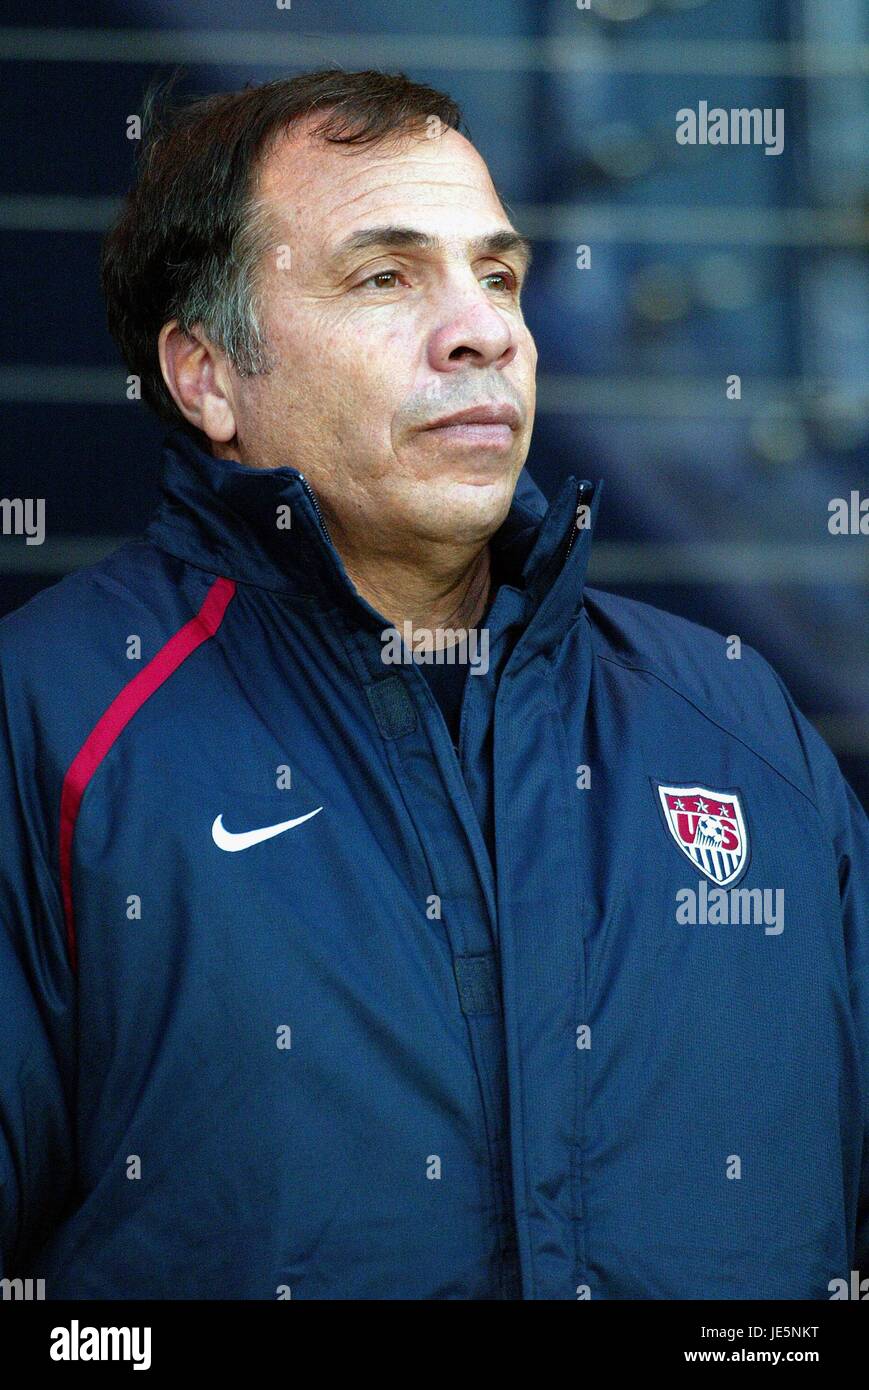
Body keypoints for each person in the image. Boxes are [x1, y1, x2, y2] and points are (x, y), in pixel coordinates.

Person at [1, 69, 866, 1301]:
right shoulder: (49, 725)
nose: (485, 331)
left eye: (497, 275)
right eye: (386, 276)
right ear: (206, 375)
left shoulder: (738, 727)